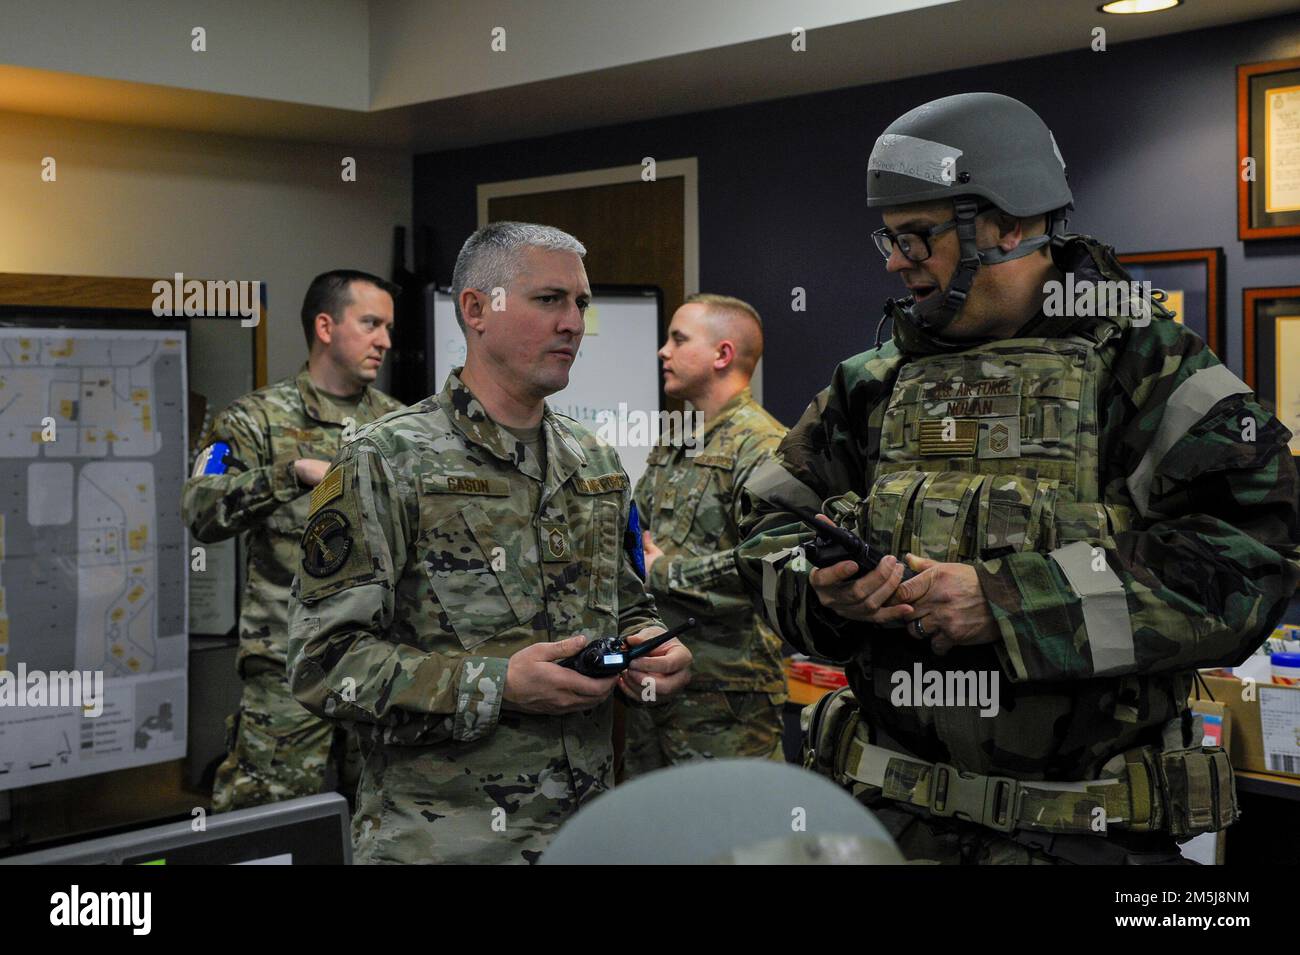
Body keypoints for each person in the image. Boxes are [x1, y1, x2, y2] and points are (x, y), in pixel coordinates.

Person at [736, 92, 1300, 864]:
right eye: (890, 239)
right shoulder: (872, 381)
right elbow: (764, 530)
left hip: (1086, 836)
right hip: (887, 827)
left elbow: (1251, 566)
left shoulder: (1148, 368)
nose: (897, 262)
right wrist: (825, 592)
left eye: (917, 237)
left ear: (1007, 224)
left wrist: (1007, 603)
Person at [286, 222, 693, 864]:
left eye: (581, 304)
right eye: (549, 300)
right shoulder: (385, 459)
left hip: (585, 834)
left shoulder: (594, 461)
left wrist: (651, 650)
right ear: (476, 310)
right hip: (445, 842)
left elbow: (626, 605)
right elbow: (322, 666)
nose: (573, 323)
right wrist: (497, 685)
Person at [183, 269, 405, 812]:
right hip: (286, 671)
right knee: (268, 827)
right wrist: (288, 475)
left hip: (379, 669)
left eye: (389, 327)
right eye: (372, 324)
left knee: (382, 825)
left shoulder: (401, 426)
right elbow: (200, 510)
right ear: (325, 326)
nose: (386, 341)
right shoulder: (254, 419)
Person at [624, 294, 788, 775]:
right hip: (655, 679)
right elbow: (638, 529)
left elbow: (772, 561)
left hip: (729, 696)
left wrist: (664, 572)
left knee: (730, 841)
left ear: (722, 354)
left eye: (678, 339)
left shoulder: (765, 444)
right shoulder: (678, 438)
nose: (663, 351)